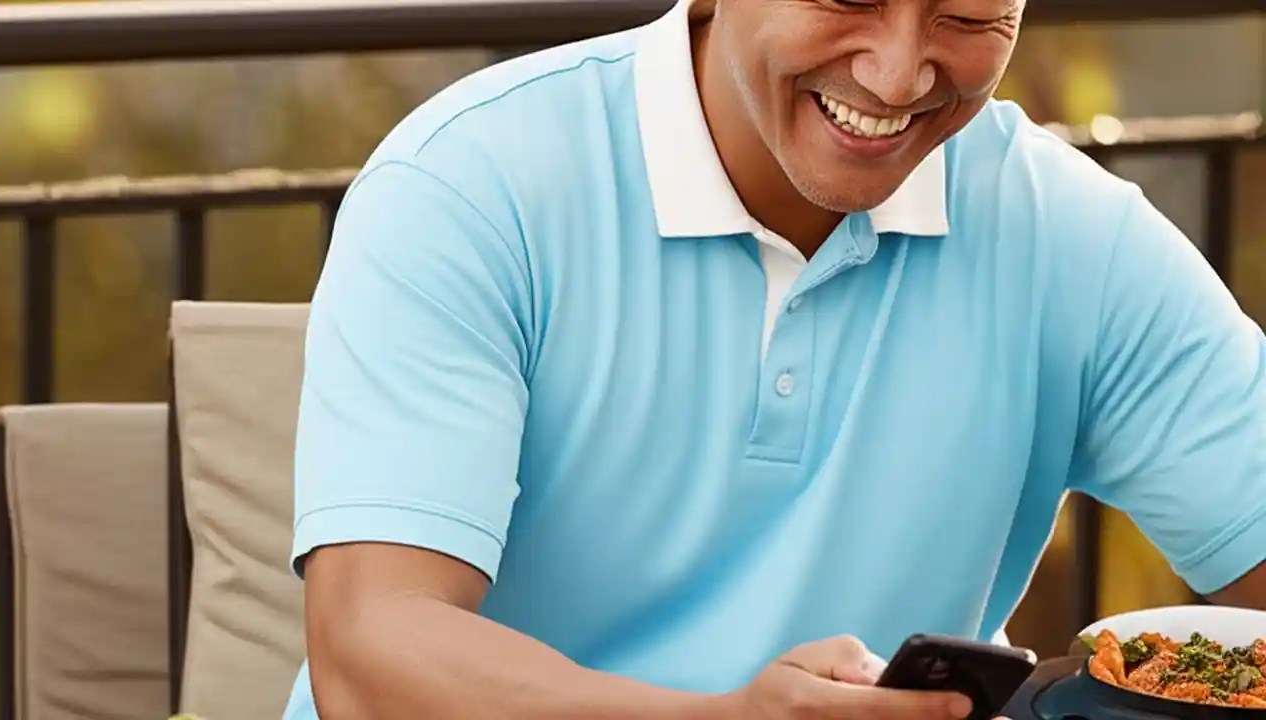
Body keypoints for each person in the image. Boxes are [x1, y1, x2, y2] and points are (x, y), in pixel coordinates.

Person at [283, 0, 1266, 716]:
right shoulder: (470, 181)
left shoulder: (1065, 233)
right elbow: (373, 655)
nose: (895, 74)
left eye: (964, 16)